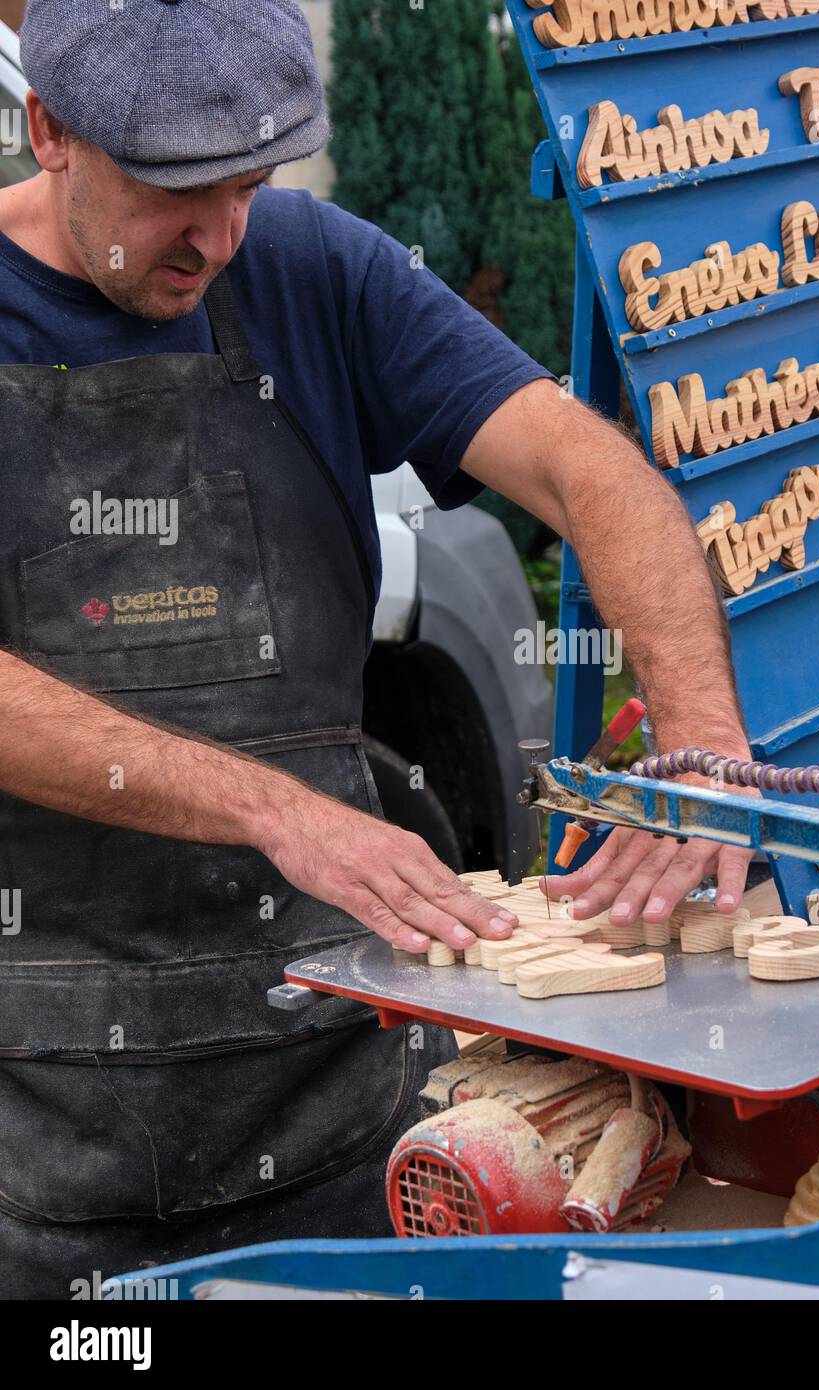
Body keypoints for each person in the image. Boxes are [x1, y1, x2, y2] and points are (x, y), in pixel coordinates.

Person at [0, 0, 753, 1297]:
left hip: (343, 1115)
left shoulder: (309, 270)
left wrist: (694, 733)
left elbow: (586, 471)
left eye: (251, 182)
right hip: (52, 1157)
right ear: (48, 130)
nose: (219, 238)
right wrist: (270, 807)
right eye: (178, 191)